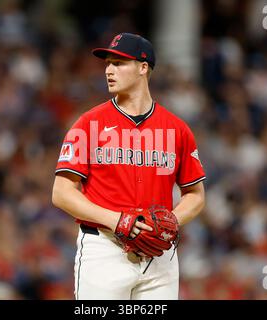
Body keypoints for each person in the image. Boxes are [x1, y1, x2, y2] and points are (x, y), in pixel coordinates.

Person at [52, 33, 206, 300]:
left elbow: (196, 195)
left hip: (159, 254)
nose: (109, 70)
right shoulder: (88, 124)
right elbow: (61, 193)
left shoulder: (177, 129)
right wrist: (117, 220)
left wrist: (171, 223)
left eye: (119, 63)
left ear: (143, 68)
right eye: (108, 63)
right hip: (105, 248)